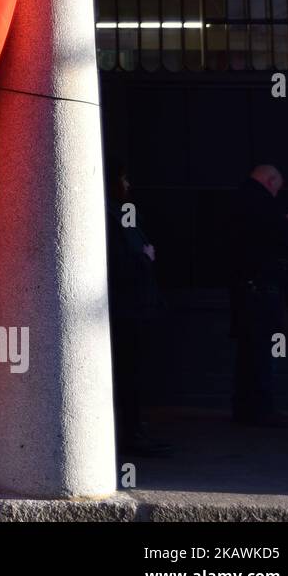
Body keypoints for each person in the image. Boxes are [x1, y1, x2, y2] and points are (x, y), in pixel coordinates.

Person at [228, 164, 288, 427]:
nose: (277, 193)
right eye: (277, 187)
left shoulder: (240, 199)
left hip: (244, 288)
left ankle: (246, 408)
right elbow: (276, 241)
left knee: (249, 351)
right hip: (261, 290)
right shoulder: (260, 202)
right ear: (270, 181)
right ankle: (262, 408)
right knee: (264, 350)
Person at [104, 160, 172, 457]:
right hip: (127, 307)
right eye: (123, 179)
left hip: (135, 306)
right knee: (129, 373)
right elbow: (121, 262)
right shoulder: (110, 214)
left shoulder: (122, 213)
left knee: (133, 373)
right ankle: (131, 433)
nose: (128, 185)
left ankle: (134, 430)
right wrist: (145, 257)